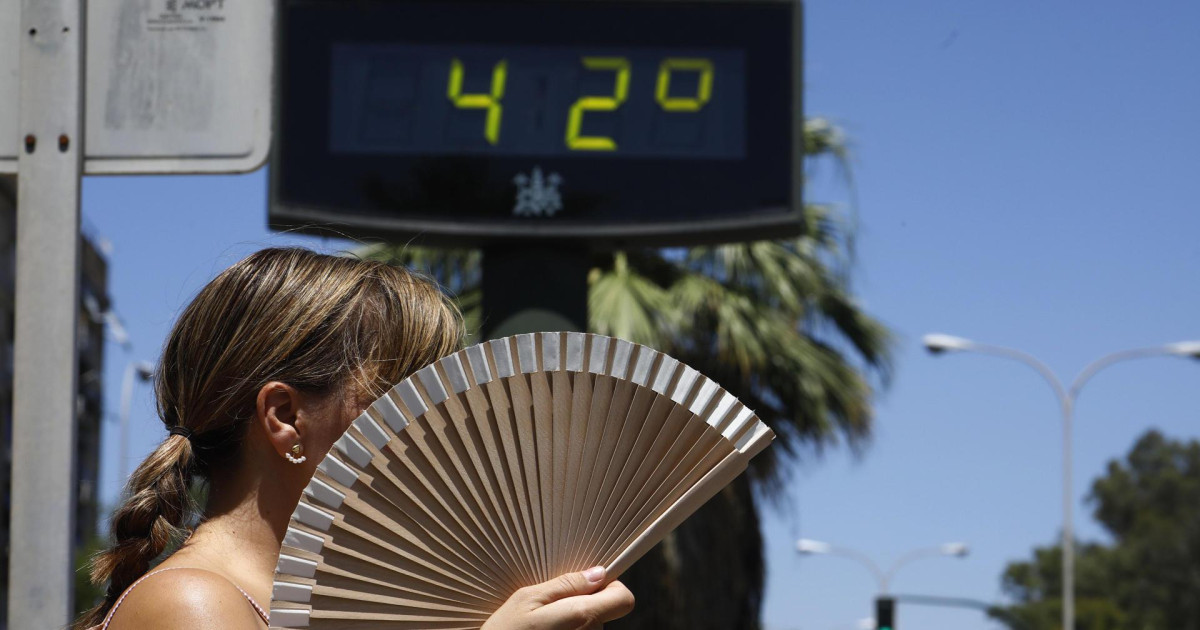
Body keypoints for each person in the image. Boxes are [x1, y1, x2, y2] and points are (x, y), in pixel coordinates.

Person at [76, 247, 635, 629]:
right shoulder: (192, 604)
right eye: (404, 400)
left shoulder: (340, 606)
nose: (441, 431)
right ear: (285, 418)